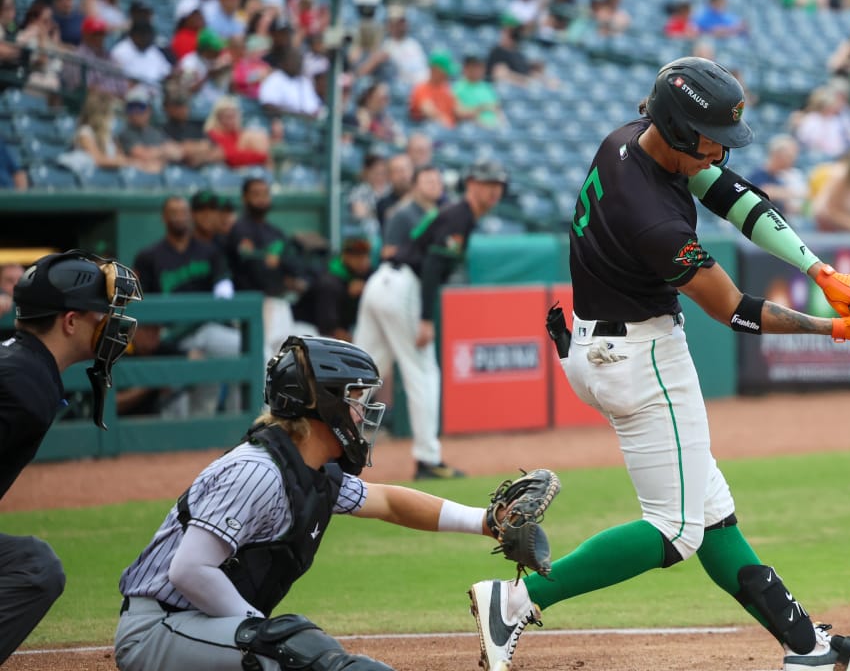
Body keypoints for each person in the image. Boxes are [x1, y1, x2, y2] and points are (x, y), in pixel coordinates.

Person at [467, 57, 850, 671]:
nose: (720, 153)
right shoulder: (653, 220)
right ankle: (516, 600)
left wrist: (818, 270)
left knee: (712, 514)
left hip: (605, 349)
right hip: (641, 359)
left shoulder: (630, 141)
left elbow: (732, 196)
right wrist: (835, 329)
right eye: (710, 141)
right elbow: (736, 310)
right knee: (675, 531)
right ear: (675, 131)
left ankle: (807, 648)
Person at [114, 335, 552, 671]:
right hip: (159, 628)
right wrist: (260, 632)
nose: (363, 414)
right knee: (300, 649)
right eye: (356, 400)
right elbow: (188, 570)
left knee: (294, 644)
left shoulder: (311, 471)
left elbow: (390, 503)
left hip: (203, 625)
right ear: (323, 405)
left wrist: (487, 522)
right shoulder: (257, 471)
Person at [1, 250, 141, 664]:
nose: (112, 324)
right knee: (36, 568)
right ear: (70, 321)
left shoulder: (22, 365)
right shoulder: (24, 385)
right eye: (102, 314)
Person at [353, 160, 507, 481]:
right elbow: (433, 266)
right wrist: (426, 319)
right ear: (471, 184)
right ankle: (427, 458)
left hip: (381, 284)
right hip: (403, 288)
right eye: (487, 184)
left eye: (497, 186)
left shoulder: (456, 214)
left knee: (363, 372)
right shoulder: (460, 215)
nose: (494, 191)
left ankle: (323, 446)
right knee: (423, 372)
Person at [133, 196, 242, 416]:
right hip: (171, 336)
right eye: (173, 212)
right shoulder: (149, 256)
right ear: (164, 217)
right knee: (176, 412)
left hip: (206, 329)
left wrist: (224, 286)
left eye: (183, 212)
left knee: (249, 350)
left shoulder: (209, 252)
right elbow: (140, 309)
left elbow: (223, 284)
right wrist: (174, 351)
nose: (179, 217)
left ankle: (243, 425)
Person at [226, 177, 307, 360]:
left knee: (285, 359)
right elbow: (254, 267)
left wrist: (280, 266)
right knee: (262, 358)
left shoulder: (275, 232)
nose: (261, 199)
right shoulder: (240, 229)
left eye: (265, 194)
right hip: (253, 302)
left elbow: (295, 265)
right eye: (255, 194)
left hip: (279, 301)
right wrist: (279, 269)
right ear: (244, 198)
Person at [293, 237, 374, 343]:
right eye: (357, 256)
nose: (364, 261)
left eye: (365, 256)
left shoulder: (364, 275)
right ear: (346, 256)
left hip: (335, 330)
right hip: (307, 332)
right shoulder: (329, 282)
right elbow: (330, 329)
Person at [379, 164, 442, 261]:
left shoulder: (443, 213)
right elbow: (388, 253)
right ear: (414, 186)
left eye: (438, 182)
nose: (435, 185)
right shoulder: (401, 215)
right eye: (429, 182)